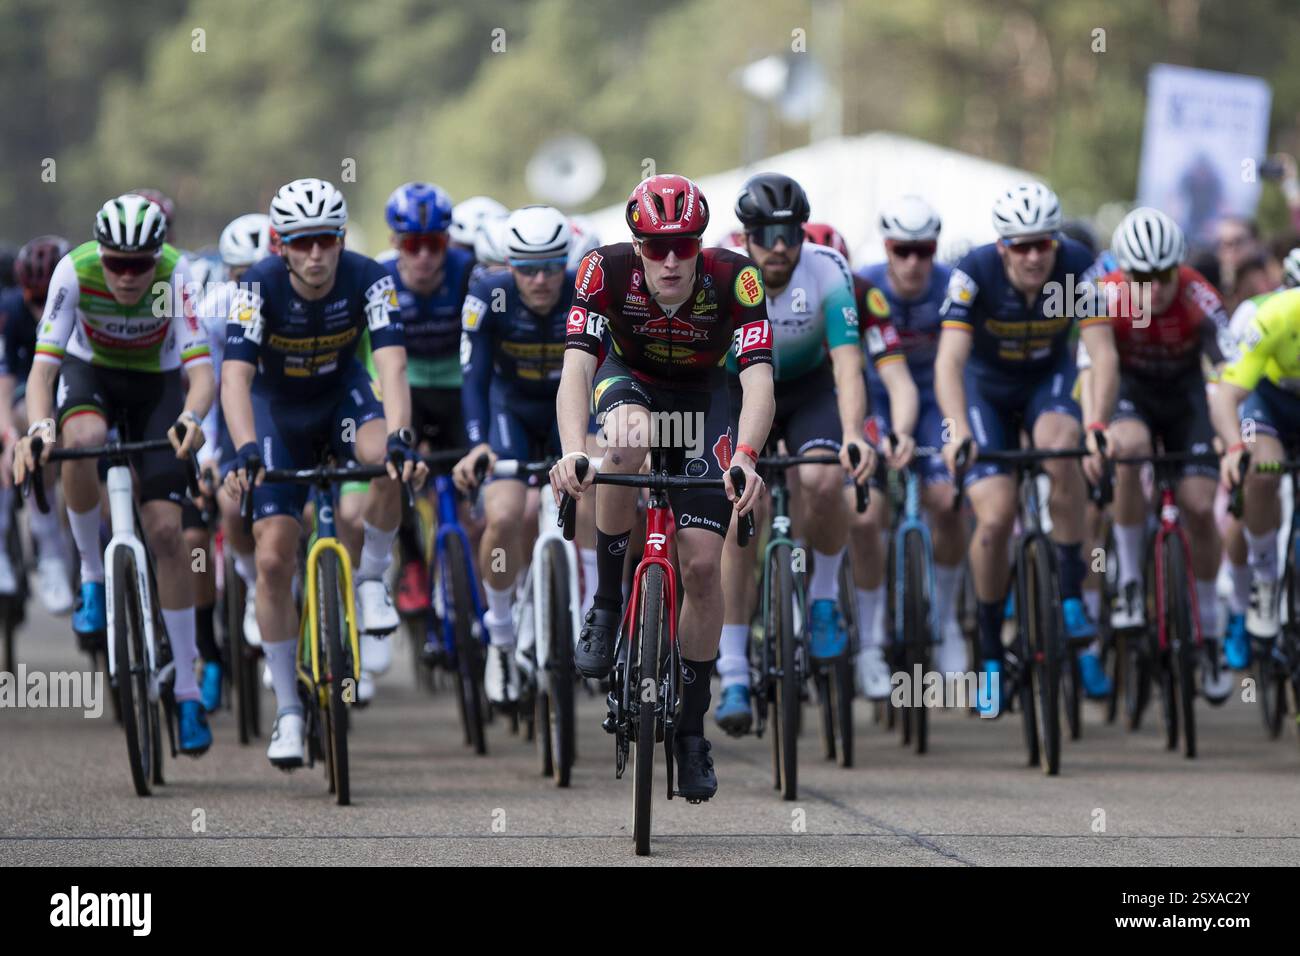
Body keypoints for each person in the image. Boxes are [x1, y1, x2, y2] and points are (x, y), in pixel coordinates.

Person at [551, 174, 775, 800]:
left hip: (706, 404)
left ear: (701, 243)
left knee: (704, 568)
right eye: (655, 246)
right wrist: (573, 450)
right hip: (633, 386)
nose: (670, 259)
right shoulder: (602, 270)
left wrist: (749, 458)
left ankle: (692, 730)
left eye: (683, 245)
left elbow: (759, 382)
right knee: (621, 440)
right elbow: (575, 371)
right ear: (636, 244)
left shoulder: (737, 277)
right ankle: (606, 602)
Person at [222, 178, 425, 768]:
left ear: (341, 240)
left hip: (341, 398)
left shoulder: (371, 277)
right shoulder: (254, 286)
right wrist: (242, 449)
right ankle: (288, 710)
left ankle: (372, 579)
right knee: (271, 557)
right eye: (303, 243)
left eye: (327, 241)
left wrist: (401, 435)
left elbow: (391, 365)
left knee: (387, 457)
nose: (316, 255)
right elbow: (234, 378)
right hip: (274, 412)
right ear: (281, 243)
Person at [14, 194, 215, 754]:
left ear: (158, 255)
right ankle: (89, 578)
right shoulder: (74, 271)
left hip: (158, 385)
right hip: (92, 375)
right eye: (116, 263)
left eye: (139, 264)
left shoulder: (180, 274)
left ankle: (189, 693)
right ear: (99, 254)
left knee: (169, 533)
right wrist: (40, 430)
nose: (127, 277)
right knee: (81, 442)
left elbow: (202, 375)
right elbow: (42, 371)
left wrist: (193, 419)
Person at [935, 182, 1118, 714]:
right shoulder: (974, 272)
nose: (1035, 255)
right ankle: (991, 654)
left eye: (1043, 243)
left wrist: (1099, 423)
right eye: (1021, 246)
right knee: (994, 517)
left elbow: (1101, 353)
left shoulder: (1079, 264)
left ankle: (1067, 593)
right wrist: (956, 430)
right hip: (985, 388)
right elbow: (948, 361)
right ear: (1002, 248)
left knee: (1062, 448)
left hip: (1047, 380)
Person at [713, 175, 884, 735]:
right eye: (765, 233)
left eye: (789, 232)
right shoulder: (722, 272)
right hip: (740, 393)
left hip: (809, 392)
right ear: (747, 236)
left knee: (823, 479)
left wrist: (854, 431)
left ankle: (824, 597)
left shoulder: (828, 272)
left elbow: (847, 364)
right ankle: (734, 666)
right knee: (745, 510)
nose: (779, 245)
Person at [450, 205, 593, 704]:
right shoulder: (487, 292)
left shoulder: (585, 289)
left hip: (569, 413)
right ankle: (503, 639)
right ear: (508, 266)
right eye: (527, 268)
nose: (539, 279)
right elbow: (473, 375)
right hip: (509, 411)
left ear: (565, 263)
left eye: (551, 266)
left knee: (597, 491)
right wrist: (477, 443)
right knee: (505, 515)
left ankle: (596, 608)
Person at [1099, 207, 1232, 703]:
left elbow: (1226, 376)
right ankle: (1131, 580)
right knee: (1129, 453)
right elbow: (1094, 373)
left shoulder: (1200, 295)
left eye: (1163, 277)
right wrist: (1097, 432)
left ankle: (1211, 633)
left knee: (1199, 506)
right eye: (1141, 278)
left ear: (1179, 267)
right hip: (1132, 391)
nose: (1153, 289)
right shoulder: (1106, 296)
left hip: (1186, 396)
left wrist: (1231, 438)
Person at [852, 195, 969, 696]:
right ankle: (872, 639)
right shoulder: (862, 283)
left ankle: (945, 626)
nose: (913, 263)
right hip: (877, 399)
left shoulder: (952, 286)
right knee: (868, 513)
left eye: (923, 251)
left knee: (947, 500)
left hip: (935, 402)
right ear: (887, 247)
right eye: (902, 251)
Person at [375, 182, 474, 631]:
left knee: (477, 478)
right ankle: (412, 559)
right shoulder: (378, 279)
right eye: (412, 246)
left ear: (446, 241)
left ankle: (472, 561)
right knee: (392, 465)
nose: (423, 257)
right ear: (396, 244)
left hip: (458, 390)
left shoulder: (469, 272)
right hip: (407, 390)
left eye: (433, 243)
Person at [0, 236, 75, 614]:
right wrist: (9, 434)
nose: (42, 309)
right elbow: (4, 381)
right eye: (34, 300)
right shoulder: (10, 310)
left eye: (49, 299)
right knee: (19, 434)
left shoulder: (78, 302)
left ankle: (60, 548)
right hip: (23, 398)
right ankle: (30, 549)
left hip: (72, 394)